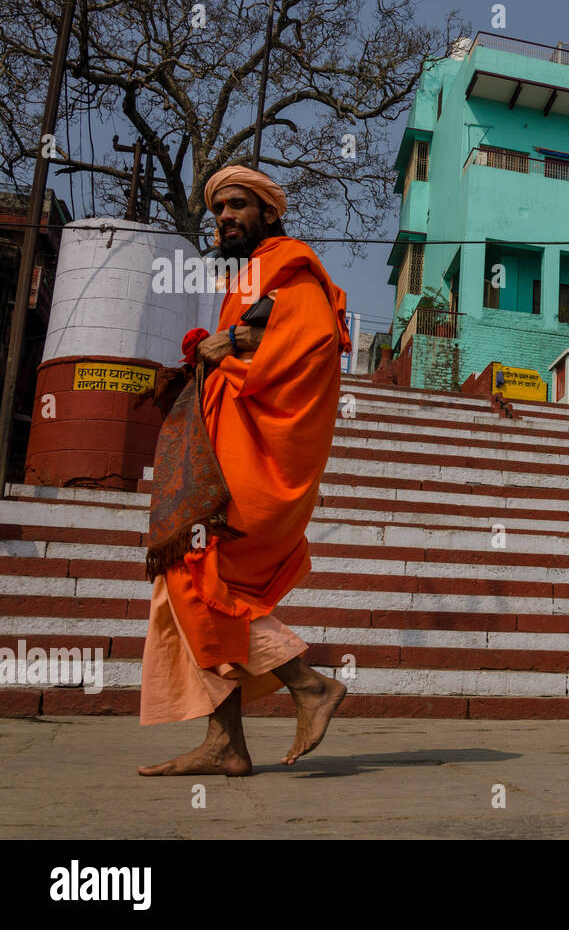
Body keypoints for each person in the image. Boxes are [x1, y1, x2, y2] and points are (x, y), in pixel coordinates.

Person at [137, 165, 350, 776]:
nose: (224, 217)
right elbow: (256, 338)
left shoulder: (292, 266)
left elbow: (306, 347)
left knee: (192, 570)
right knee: (199, 587)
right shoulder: (254, 276)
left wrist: (229, 345)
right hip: (227, 451)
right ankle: (226, 743)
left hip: (257, 466)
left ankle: (309, 684)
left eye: (236, 206)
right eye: (218, 210)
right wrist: (229, 342)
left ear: (269, 213)